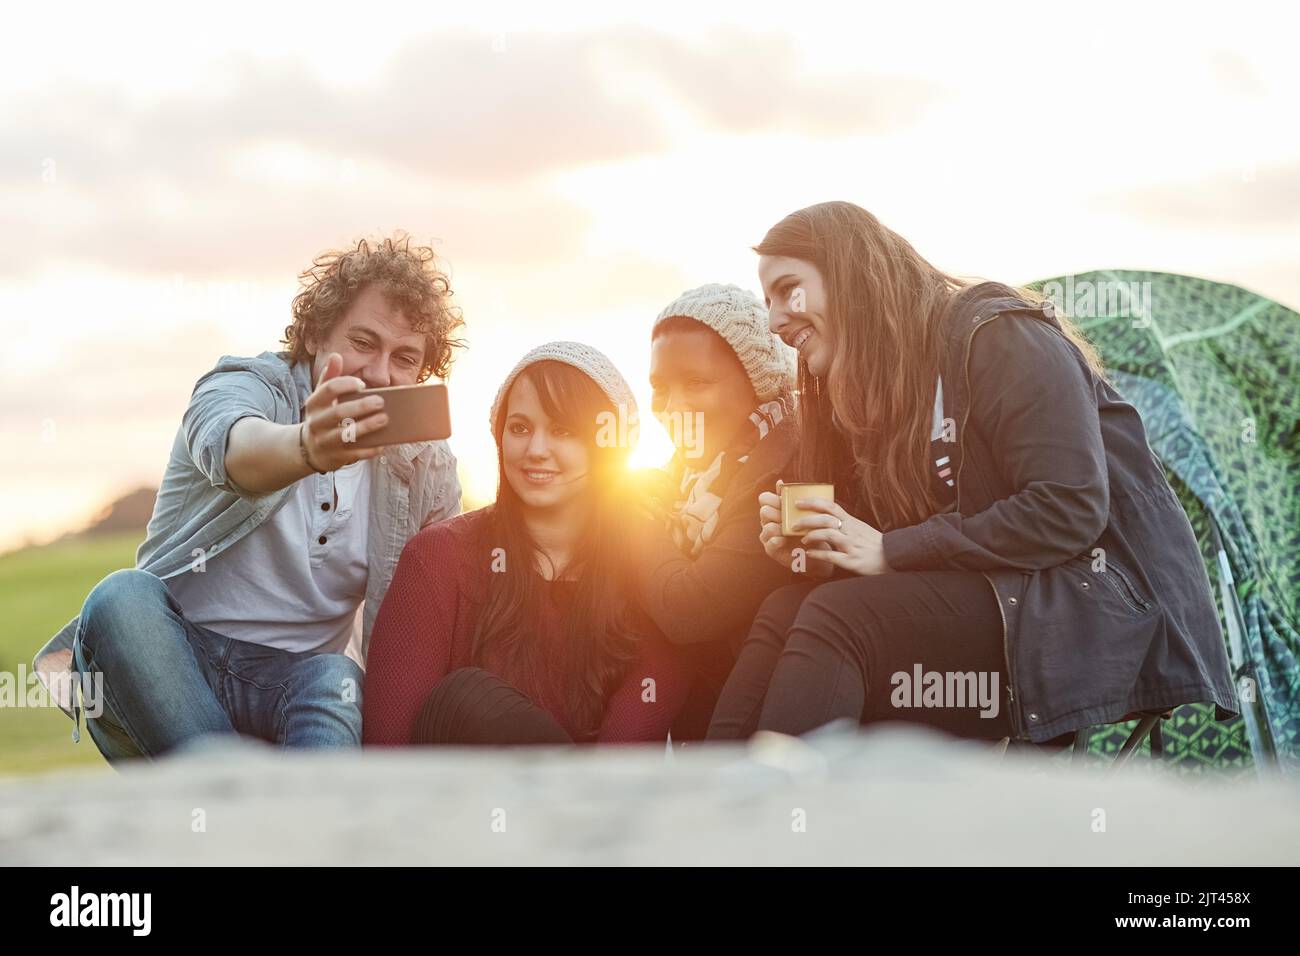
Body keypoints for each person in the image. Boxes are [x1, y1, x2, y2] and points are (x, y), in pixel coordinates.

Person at [707, 201, 1239, 745]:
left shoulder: (999, 335)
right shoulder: (874, 390)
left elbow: (1068, 507)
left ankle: (784, 818)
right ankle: (710, 808)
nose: (775, 320)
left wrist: (891, 550)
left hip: (1097, 606)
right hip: (996, 597)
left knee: (839, 619)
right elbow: (900, 541)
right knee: (784, 609)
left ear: (850, 274)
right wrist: (820, 549)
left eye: (789, 290)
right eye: (769, 302)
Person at [32, 234, 464, 760]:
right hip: (169, 661)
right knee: (120, 597)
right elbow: (235, 449)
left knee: (337, 675)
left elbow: (427, 617)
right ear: (315, 334)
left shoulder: (427, 465)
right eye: (364, 342)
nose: (378, 373)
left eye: (404, 357)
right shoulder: (243, 385)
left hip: (294, 686)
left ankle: (270, 804)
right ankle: (229, 785)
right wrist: (306, 447)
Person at [362, 342, 689, 746]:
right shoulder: (437, 559)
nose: (536, 450)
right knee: (468, 698)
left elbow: (623, 759)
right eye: (519, 428)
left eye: (563, 430)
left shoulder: (650, 573)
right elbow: (388, 750)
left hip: (596, 804)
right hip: (455, 803)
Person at [631, 284, 799, 739]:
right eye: (659, 388)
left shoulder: (791, 470)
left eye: (697, 383)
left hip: (759, 750)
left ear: (757, 384)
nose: (673, 408)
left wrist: (633, 517)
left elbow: (690, 608)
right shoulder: (689, 477)